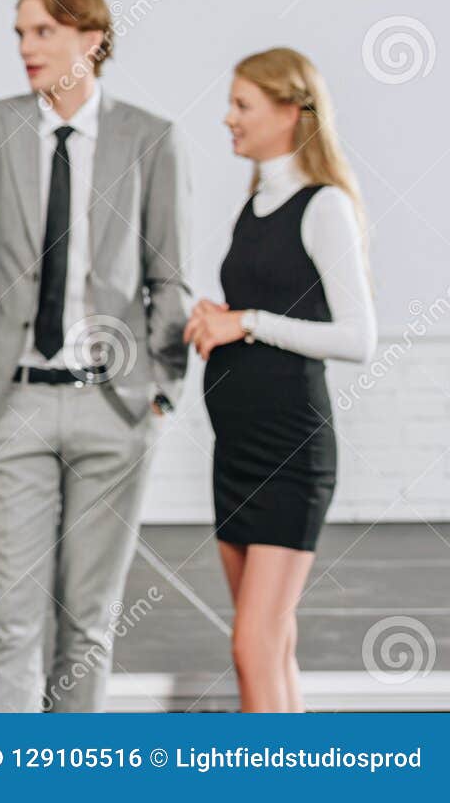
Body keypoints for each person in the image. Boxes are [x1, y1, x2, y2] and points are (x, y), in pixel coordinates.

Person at [0, 0, 190, 713]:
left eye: (43, 31)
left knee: (89, 621)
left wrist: (162, 389)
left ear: (91, 39)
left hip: (115, 406)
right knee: (11, 618)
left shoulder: (150, 139)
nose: (26, 47)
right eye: (20, 32)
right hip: (11, 406)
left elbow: (170, 278)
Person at [184, 47, 375, 713]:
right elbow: (255, 312)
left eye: (242, 105)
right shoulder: (254, 205)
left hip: (290, 454)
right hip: (236, 452)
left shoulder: (324, 207)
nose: (227, 118)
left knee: (253, 645)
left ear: (290, 112)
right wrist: (220, 317)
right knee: (272, 642)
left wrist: (249, 322)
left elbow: (358, 338)